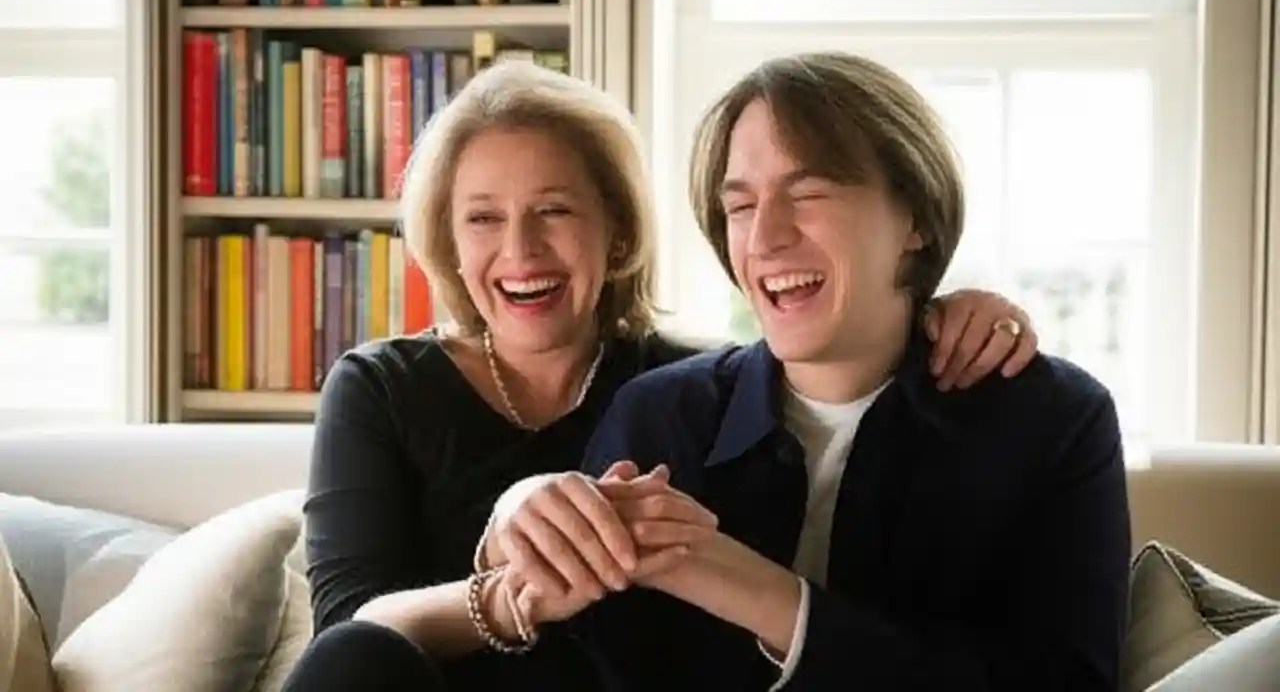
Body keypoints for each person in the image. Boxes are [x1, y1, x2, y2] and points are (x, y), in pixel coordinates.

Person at [282, 60, 1042, 691]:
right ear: (447, 241)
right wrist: (514, 589)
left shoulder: (687, 392)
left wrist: (941, 305)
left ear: (616, 231)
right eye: (482, 218)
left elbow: (835, 337)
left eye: (553, 210)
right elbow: (349, 633)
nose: (522, 250)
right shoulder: (379, 388)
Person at [489, 53, 1131, 691]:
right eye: (740, 207)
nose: (765, 237)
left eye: (809, 193)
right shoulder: (659, 414)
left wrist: (762, 595)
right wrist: (519, 523)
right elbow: (567, 660)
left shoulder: (1054, 421)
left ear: (913, 218)